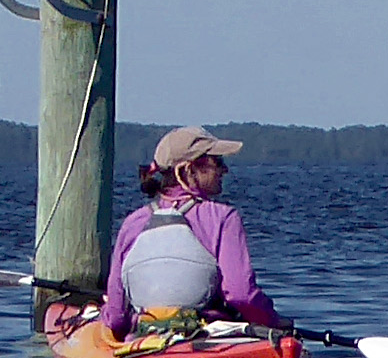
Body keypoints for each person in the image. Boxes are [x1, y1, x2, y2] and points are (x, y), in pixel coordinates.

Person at [102, 125, 283, 343]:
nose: (224, 170)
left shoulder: (132, 223)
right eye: (217, 162)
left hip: (145, 341)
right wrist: (274, 321)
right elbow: (240, 294)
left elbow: (116, 317)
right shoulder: (223, 218)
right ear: (188, 170)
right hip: (206, 340)